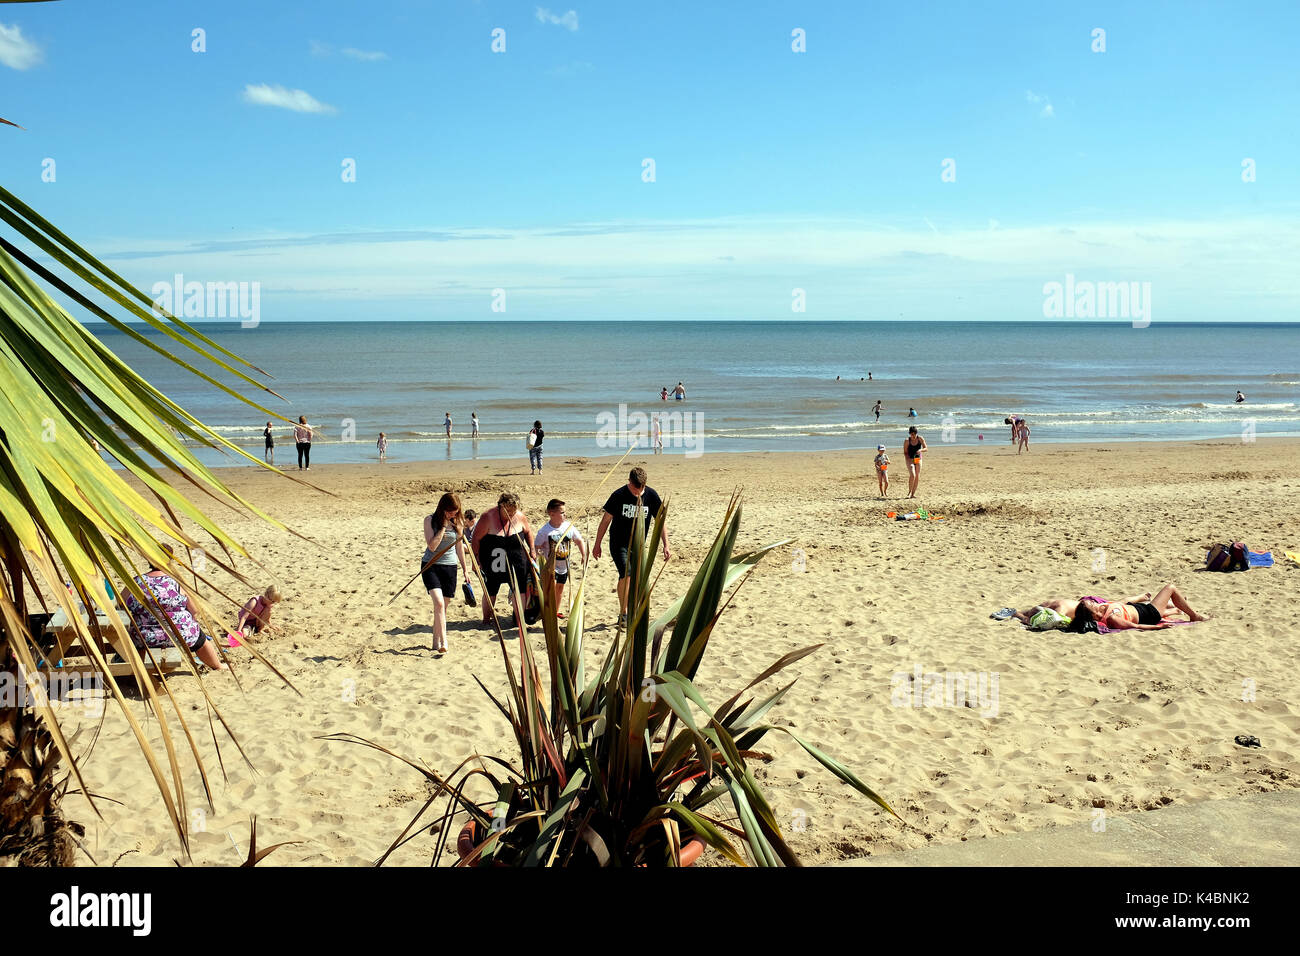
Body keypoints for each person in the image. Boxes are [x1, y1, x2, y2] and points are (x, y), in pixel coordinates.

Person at [124, 544, 227, 671]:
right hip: (180, 635)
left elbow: (120, 605)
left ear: (148, 559)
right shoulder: (175, 581)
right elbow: (194, 610)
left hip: (145, 637)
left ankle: (138, 670)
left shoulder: (136, 582)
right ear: (170, 560)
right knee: (200, 640)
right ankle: (218, 666)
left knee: (131, 637)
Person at [593, 467, 669, 631]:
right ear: (629, 482)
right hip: (619, 543)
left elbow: (660, 520)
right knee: (626, 574)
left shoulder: (651, 495)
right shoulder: (618, 495)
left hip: (639, 546)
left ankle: (630, 609)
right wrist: (597, 544)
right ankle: (624, 613)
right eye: (636, 488)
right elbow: (605, 521)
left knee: (635, 578)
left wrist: (666, 545)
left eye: (641, 488)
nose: (639, 492)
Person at [471, 492, 536, 629]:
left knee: (520, 590)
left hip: (517, 560)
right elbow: (476, 539)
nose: (511, 514)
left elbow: (528, 532)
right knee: (491, 591)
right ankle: (486, 620)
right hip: (494, 560)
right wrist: (475, 560)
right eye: (508, 511)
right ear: (501, 506)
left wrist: (532, 549)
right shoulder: (487, 517)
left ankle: (520, 622)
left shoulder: (520, 516)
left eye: (514, 511)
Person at [422, 492, 469, 653]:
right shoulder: (429, 520)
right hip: (431, 566)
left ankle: (435, 641)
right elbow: (432, 546)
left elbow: (459, 548)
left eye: (455, 512)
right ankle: (444, 642)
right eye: (450, 511)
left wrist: (465, 569)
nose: (453, 514)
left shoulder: (459, 522)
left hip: (450, 567)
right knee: (439, 603)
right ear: (442, 508)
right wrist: (443, 526)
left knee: (442, 608)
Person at [1068, 585, 1209, 632]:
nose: (1094, 602)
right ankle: (1194, 615)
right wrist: (1158, 628)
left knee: (1171, 602)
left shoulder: (1104, 608)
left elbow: (1122, 603)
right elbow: (1135, 626)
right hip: (1150, 614)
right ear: (1093, 614)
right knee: (1170, 588)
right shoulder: (1111, 618)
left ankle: (1175, 609)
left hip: (1142, 607)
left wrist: (1139, 597)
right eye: (1091, 604)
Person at [535, 499, 586, 619]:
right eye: (562, 512)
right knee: (550, 590)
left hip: (565, 566)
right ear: (552, 514)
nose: (565, 515)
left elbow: (579, 540)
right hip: (551, 567)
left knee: (560, 589)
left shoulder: (568, 527)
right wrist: (537, 561)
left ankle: (555, 611)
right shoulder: (544, 531)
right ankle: (548, 612)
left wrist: (583, 554)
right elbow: (536, 547)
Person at [903, 426, 927, 499]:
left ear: (916, 433)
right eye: (911, 434)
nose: (913, 436)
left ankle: (913, 494)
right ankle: (909, 492)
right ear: (910, 434)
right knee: (912, 475)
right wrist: (908, 460)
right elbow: (905, 452)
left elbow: (926, 448)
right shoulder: (907, 440)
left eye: (914, 434)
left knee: (917, 475)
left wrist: (920, 450)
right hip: (909, 458)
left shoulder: (920, 438)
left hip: (918, 458)